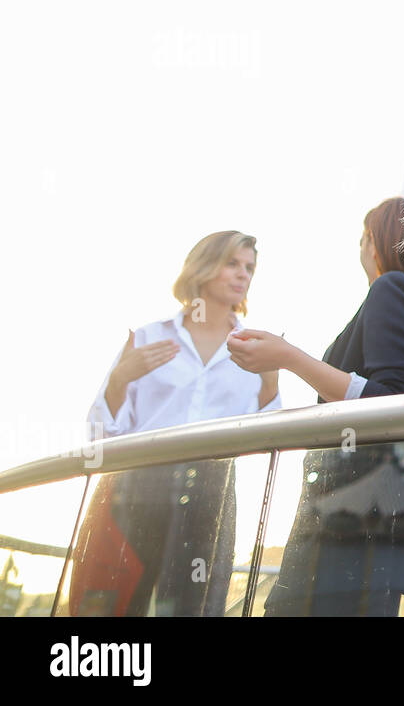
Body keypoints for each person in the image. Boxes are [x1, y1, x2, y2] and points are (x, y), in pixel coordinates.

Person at [227, 197, 404, 616]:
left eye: (362, 238)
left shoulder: (391, 289)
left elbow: (392, 404)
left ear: (376, 241)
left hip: (347, 525)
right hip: (389, 529)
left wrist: (290, 357)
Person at [75, 231, 280, 616]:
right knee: (114, 605)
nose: (243, 275)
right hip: (134, 489)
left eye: (250, 268)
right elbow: (99, 436)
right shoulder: (148, 337)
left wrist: (271, 382)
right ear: (203, 267)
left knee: (194, 607)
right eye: (232, 264)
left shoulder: (254, 348)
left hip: (211, 494)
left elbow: (268, 441)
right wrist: (119, 380)